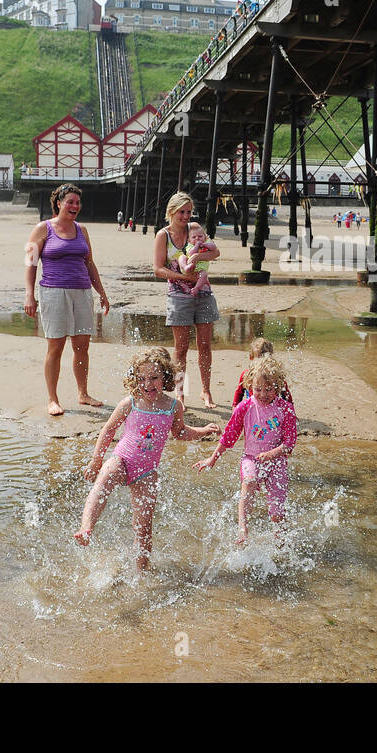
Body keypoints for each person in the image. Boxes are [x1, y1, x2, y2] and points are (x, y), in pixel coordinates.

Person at [75, 347, 219, 568]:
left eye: (154, 378)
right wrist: (96, 460)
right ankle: (86, 529)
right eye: (141, 378)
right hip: (122, 460)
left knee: (143, 528)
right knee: (104, 477)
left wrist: (203, 431)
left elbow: (180, 433)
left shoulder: (173, 406)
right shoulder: (130, 402)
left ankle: (141, 573)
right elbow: (108, 429)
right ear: (135, 379)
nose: (147, 384)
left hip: (146, 472)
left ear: (166, 377)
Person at [24, 183, 111, 416]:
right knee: (56, 346)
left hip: (82, 292)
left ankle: (83, 394)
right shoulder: (42, 229)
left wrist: (102, 293)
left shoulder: (82, 230)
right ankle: (53, 399)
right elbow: (31, 264)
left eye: (77, 202)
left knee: (82, 346)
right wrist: (29, 295)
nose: (75, 206)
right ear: (59, 203)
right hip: (53, 292)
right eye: (70, 202)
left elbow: (89, 263)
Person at [195, 354, 297, 546]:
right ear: (250, 386)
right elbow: (229, 436)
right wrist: (212, 459)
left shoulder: (286, 409)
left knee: (276, 513)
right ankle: (243, 529)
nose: (263, 394)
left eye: (269, 389)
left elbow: (290, 443)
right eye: (258, 389)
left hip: (277, 462)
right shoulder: (245, 407)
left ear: (278, 386)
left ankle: (282, 544)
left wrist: (272, 453)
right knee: (249, 482)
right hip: (251, 458)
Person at [154, 192, 221, 408]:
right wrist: (184, 277)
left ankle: (206, 391)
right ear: (171, 212)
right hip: (178, 296)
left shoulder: (195, 229)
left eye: (189, 211)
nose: (185, 216)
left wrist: (198, 257)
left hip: (203, 295)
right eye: (181, 212)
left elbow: (215, 252)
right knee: (181, 348)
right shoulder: (163, 235)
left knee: (205, 346)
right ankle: (180, 393)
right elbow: (157, 269)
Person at [232, 337, 294, 407]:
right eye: (259, 359)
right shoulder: (246, 375)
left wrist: (290, 411)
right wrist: (235, 407)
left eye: (266, 359)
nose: (262, 362)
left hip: (272, 411)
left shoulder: (275, 375)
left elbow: (286, 394)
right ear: (251, 358)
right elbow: (239, 393)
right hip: (252, 409)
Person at [177, 221, 216, 298]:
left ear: (205, 237)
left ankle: (197, 288)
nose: (197, 238)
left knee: (204, 275)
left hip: (200, 269)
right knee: (182, 257)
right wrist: (197, 246)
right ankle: (185, 267)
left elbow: (214, 248)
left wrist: (205, 244)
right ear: (189, 240)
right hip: (190, 265)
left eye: (200, 236)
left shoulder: (206, 245)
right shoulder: (190, 246)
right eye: (194, 237)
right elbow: (191, 253)